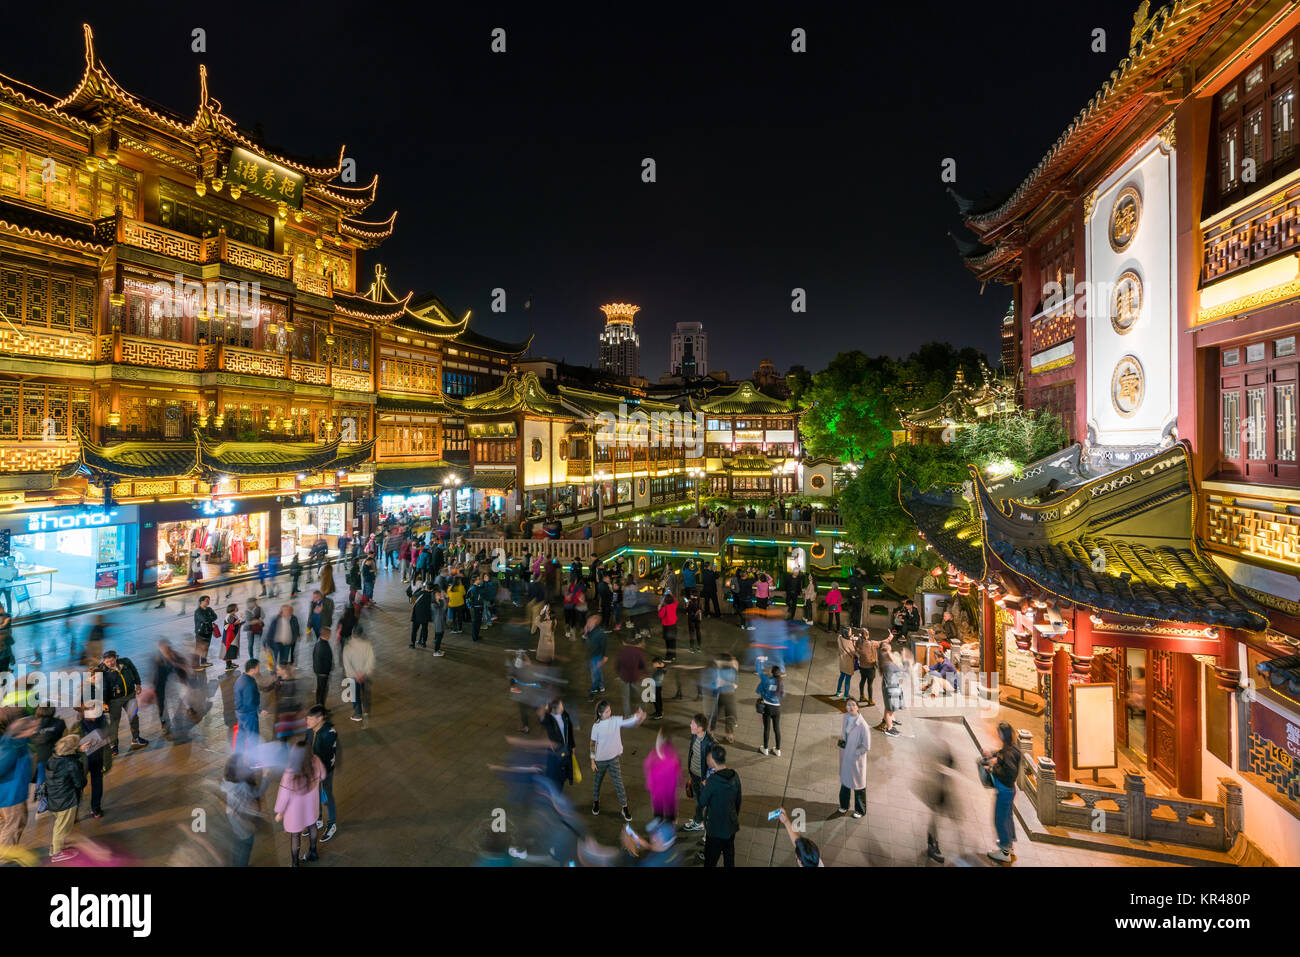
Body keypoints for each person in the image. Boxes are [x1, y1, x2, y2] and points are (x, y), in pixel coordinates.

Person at [589, 699, 645, 821]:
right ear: (600, 713)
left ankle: (624, 808)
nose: (609, 713)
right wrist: (592, 761)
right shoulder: (596, 727)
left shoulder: (615, 720)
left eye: (609, 710)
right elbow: (593, 744)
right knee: (597, 783)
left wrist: (637, 716)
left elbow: (628, 721)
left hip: (613, 759)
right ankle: (596, 801)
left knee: (619, 784)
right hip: (600, 760)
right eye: (606, 712)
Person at [274, 739, 326, 866]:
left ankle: (295, 863)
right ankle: (313, 852)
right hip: (311, 805)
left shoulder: (289, 773)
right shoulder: (316, 761)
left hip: (294, 812)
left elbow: (283, 796)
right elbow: (323, 775)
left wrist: (279, 812)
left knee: (295, 836)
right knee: (312, 825)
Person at [981, 721, 1022, 864]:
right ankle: (1009, 846)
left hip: (1005, 790)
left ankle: (1004, 851)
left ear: (1001, 734)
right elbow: (1002, 755)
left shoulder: (1009, 752)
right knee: (1007, 818)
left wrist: (992, 767)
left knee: (1000, 819)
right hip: (1009, 790)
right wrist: (992, 754)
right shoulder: (1012, 747)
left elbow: (1010, 773)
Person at [697, 745, 741, 867]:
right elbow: (738, 801)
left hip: (715, 829)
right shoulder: (734, 776)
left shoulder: (712, 781)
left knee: (710, 860)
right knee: (729, 857)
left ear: (712, 759)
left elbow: (702, 802)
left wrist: (703, 787)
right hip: (730, 826)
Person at [45, 732, 86, 862]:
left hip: (54, 799)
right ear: (72, 749)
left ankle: (57, 848)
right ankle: (56, 854)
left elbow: (67, 760)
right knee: (61, 828)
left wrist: (78, 751)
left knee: (59, 825)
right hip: (66, 801)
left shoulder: (53, 759)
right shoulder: (71, 764)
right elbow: (80, 782)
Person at [97, 650, 147, 755]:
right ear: (103, 662)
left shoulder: (126, 662)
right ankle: (114, 746)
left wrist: (138, 684)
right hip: (114, 701)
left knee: (134, 717)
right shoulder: (101, 671)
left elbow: (134, 671)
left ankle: (136, 739)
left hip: (130, 695)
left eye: (111, 660)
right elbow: (101, 688)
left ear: (116, 658)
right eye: (107, 662)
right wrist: (103, 702)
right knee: (114, 723)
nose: (110, 663)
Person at [0, 716, 35, 854]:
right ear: (22, 730)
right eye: (32, 728)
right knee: (14, 825)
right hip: (11, 796)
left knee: (8, 823)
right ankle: (4, 858)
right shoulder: (11, 748)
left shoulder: (17, 742)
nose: (35, 730)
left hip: (11, 793)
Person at [305, 705, 340, 842]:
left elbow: (325, 758)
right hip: (312, 770)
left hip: (325, 771)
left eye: (309, 719)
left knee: (326, 796)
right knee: (315, 795)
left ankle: (332, 824)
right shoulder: (310, 730)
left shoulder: (329, 733)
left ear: (319, 719)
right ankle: (318, 819)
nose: (307, 721)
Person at [223, 754, 262, 867]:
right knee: (245, 847)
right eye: (244, 764)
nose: (247, 764)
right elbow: (255, 796)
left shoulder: (228, 781)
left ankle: (236, 864)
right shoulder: (244, 786)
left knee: (238, 844)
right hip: (245, 823)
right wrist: (266, 779)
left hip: (234, 822)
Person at [680, 714, 715, 833]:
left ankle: (700, 823)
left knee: (703, 802)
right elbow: (692, 753)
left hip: (703, 779)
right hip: (694, 775)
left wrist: (707, 780)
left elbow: (714, 765)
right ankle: (699, 820)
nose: (690, 725)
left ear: (700, 728)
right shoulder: (694, 735)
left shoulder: (710, 743)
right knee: (697, 799)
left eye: (693, 724)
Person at [838, 698, 871, 818]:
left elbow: (866, 746)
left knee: (859, 785)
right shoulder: (845, 717)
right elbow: (844, 733)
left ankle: (860, 810)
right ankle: (844, 805)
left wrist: (855, 752)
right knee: (845, 781)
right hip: (846, 755)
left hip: (857, 759)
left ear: (857, 707)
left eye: (853, 705)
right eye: (848, 705)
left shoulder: (863, 725)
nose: (850, 707)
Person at [643, 728, 683, 824]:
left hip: (658, 788)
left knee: (658, 807)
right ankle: (671, 821)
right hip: (669, 788)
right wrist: (680, 781)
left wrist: (649, 783)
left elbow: (647, 765)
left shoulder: (655, 753)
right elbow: (678, 770)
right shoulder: (672, 753)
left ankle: (660, 821)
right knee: (670, 805)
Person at [75, 704, 108, 819]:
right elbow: (70, 746)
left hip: (97, 758)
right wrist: (79, 748)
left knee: (97, 782)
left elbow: (109, 735)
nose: (94, 716)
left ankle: (96, 808)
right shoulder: (77, 726)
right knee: (78, 785)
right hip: (83, 761)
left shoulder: (102, 721)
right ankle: (74, 812)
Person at [541, 698, 576, 790]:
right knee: (556, 771)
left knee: (565, 767)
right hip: (556, 750)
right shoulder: (549, 719)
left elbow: (570, 730)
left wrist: (572, 745)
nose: (563, 708)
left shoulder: (565, 715)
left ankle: (562, 781)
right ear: (554, 709)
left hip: (566, 747)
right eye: (561, 707)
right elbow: (543, 722)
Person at [341, 628, 375, 723]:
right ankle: (366, 710)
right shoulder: (368, 645)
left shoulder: (348, 647)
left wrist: (355, 674)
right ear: (361, 634)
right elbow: (370, 661)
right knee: (366, 693)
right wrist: (363, 673)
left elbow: (346, 664)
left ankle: (358, 714)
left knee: (355, 695)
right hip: (366, 676)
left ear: (352, 633)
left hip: (353, 677)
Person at [616, 629, 650, 718]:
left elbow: (617, 665)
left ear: (624, 642)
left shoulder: (622, 651)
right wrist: (644, 673)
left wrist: (619, 673)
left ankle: (627, 715)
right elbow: (643, 665)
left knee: (626, 698)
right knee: (640, 695)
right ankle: (643, 711)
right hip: (635, 677)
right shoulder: (638, 652)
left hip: (624, 677)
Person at [756, 658, 785, 756]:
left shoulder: (767, 680)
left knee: (767, 729)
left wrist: (760, 661)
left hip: (767, 707)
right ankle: (778, 750)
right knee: (777, 729)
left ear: (772, 673)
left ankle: (765, 748)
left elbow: (759, 691)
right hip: (777, 708)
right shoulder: (780, 682)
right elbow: (782, 695)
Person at [711, 653, 738, 742]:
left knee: (715, 715)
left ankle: (711, 733)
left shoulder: (718, 672)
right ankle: (730, 736)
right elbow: (735, 686)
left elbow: (715, 684)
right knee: (729, 715)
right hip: (731, 696)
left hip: (721, 695)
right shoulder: (733, 671)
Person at [878, 642, 903, 737]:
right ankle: (889, 728)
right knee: (890, 709)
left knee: (888, 707)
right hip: (891, 688)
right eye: (890, 651)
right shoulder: (889, 664)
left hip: (889, 686)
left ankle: (888, 721)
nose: (892, 653)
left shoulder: (884, 660)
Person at [584, 612, 607, 700]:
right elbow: (586, 640)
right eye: (589, 620)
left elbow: (604, 644)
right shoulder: (591, 630)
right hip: (593, 655)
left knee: (595, 674)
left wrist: (604, 656)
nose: (589, 622)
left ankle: (593, 690)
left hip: (597, 656)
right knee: (599, 672)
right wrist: (586, 633)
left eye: (591, 620)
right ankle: (601, 686)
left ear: (596, 621)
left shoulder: (600, 632)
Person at [855, 629, 880, 705]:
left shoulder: (859, 643)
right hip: (870, 667)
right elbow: (882, 643)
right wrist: (890, 637)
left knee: (862, 680)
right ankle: (870, 700)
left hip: (862, 666)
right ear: (867, 635)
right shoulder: (871, 643)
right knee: (870, 684)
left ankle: (862, 696)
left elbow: (856, 647)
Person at [311, 623, 333, 708]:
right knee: (323, 691)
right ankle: (321, 709)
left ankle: (319, 707)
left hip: (318, 671)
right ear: (327, 635)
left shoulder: (318, 642)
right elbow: (327, 660)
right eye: (330, 634)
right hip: (323, 672)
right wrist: (327, 671)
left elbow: (313, 655)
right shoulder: (324, 645)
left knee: (320, 690)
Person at [194, 595, 217, 667]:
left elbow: (215, 617)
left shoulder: (209, 609)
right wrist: (209, 618)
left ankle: (204, 662)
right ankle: (196, 665)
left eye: (209, 600)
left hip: (209, 631)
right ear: (201, 601)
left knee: (206, 648)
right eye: (206, 600)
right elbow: (205, 620)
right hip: (201, 632)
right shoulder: (198, 611)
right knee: (199, 649)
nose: (208, 602)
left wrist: (208, 619)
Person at [410, 580, 432, 649]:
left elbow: (412, 600)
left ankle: (412, 644)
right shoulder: (431, 595)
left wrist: (419, 588)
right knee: (425, 629)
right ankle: (423, 643)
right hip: (426, 615)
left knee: (414, 630)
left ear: (425, 586)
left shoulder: (419, 593)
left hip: (417, 615)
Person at [657, 592, 679, 661]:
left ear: (665, 601)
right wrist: (672, 594)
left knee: (668, 643)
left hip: (667, 628)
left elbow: (660, 615)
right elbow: (676, 601)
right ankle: (673, 656)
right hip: (674, 627)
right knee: (673, 642)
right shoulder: (674, 605)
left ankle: (668, 658)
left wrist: (659, 609)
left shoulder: (664, 608)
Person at [221, 603, 242, 671]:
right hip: (229, 636)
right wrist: (236, 623)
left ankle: (230, 663)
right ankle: (228, 666)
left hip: (233, 635)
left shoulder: (234, 615)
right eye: (236, 607)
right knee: (228, 650)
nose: (237, 608)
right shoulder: (229, 616)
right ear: (232, 608)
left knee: (231, 649)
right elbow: (226, 626)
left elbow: (236, 623)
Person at [430, 585, 449, 657]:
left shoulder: (440, 601)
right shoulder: (433, 604)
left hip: (442, 620)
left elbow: (445, 608)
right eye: (437, 594)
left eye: (439, 594)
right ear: (434, 596)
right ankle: (436, 651)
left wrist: (446, 598)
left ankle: (438, 649)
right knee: (438, 637)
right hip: (438, 622)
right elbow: (442, 609)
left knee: (441, 636)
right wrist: (445, 599)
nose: (439, 595)